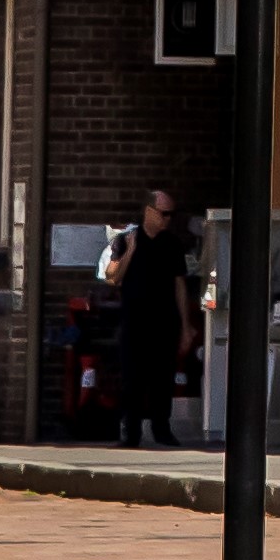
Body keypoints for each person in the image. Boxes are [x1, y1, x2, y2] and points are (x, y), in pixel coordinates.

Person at [104, 189, 201, 449]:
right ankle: (130, 432)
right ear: (149, 211)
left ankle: (162, 429)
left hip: (165, 321)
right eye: (164, 213)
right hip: (135, 321)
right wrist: (130, 252)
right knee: (132, 378)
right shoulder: (126, 240)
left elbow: (179, 285)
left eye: (172, 214)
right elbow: (112, 277)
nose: (168, 219)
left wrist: (185, 325)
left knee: (163, 377)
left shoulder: (172, 244)